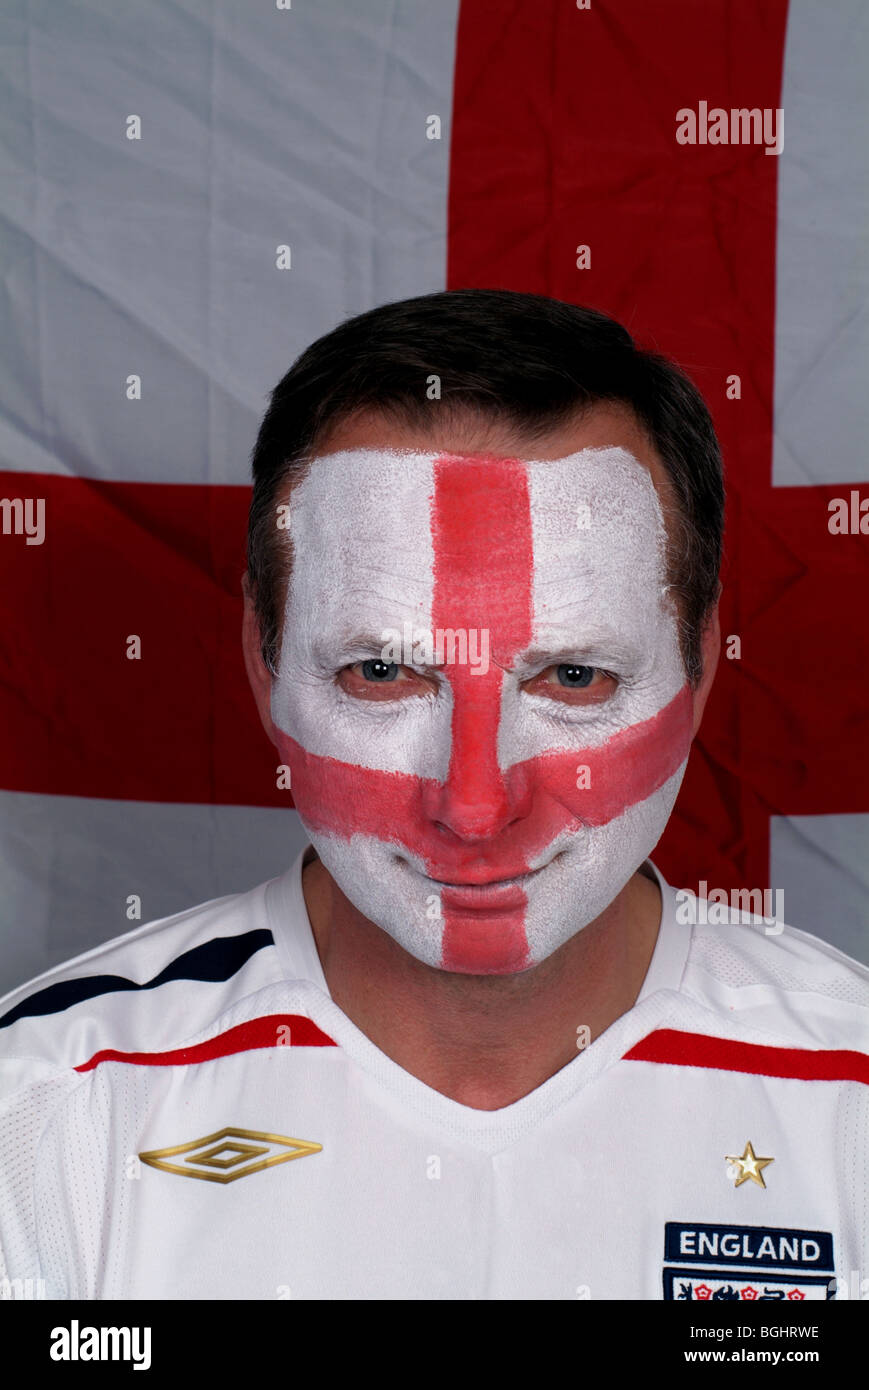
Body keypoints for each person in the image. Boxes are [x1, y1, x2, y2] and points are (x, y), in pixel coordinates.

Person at [1, 290, 866, 1301]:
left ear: (700, 666)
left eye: (573, 678)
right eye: (381, 674)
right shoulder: (47, 1112)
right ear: (261, 659)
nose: (474, 807)